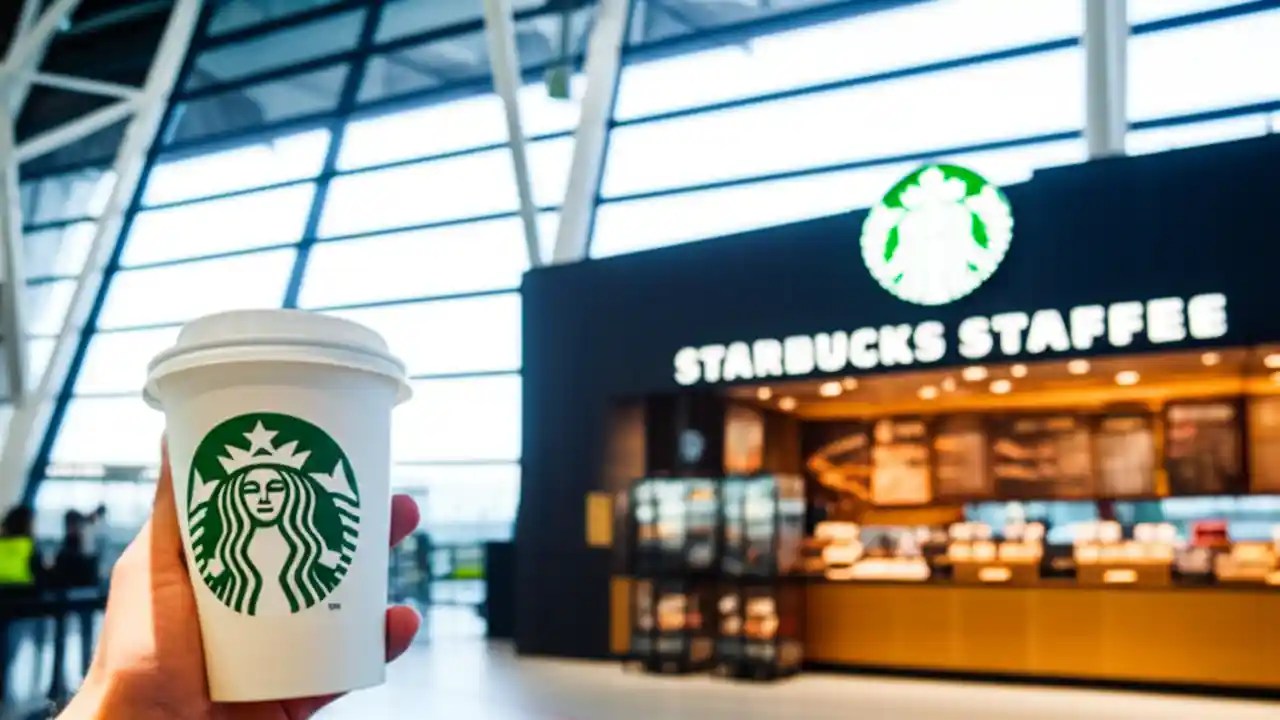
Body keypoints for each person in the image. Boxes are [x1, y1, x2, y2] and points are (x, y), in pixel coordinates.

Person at [57, 442, 421, 720]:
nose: (263, 498)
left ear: (295, 493)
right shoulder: (231, 555)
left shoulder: (310, 556)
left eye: (275, 488)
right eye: (251, 489)